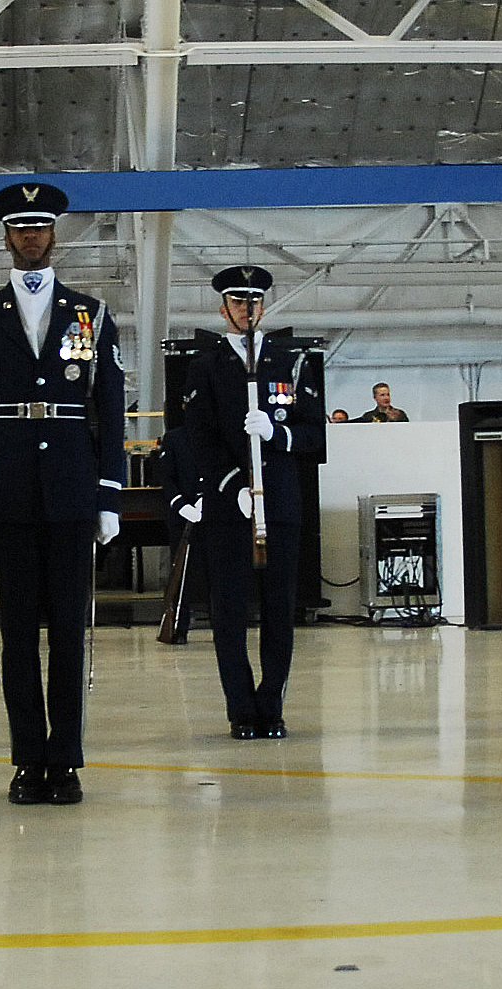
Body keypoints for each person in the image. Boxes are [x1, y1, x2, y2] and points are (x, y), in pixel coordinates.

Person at [0, 180, 127, 806]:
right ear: (6, 237)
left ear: (53, 234)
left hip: (70, 484)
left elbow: (110, 408)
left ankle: (64, 761)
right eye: (20, 228)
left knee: (68, 631)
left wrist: (109, 492)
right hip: (8, 486)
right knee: (16, 635)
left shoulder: (91, 314)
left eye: (39, 227)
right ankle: (25, 761)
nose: (31, 237)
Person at [169, 265, 324, 739]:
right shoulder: (206, 365)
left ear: (264, 306)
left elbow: (314, 434)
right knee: (230, 612)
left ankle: (271, 704)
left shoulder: (291, 363)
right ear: (224, 309)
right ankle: (240, 708)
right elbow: (198, 437)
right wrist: (235, 482)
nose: (247, 309)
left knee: (280, 610)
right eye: (238, 302)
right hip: (229, 503)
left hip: (280, 502)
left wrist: (278, 433)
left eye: (254, 301)